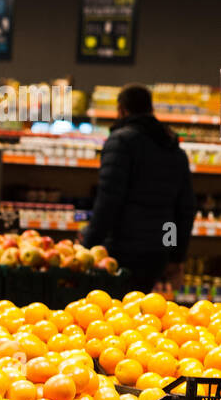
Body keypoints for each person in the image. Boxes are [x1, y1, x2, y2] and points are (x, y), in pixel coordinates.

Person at [82, 84, 195, 292]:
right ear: (150, 109)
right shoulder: (173, 148)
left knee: (114, 315)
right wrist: (174, 253)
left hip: (123, 248)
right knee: (142, 312)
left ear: (122, 110)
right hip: (159, 248)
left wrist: (87, 246)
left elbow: (108, 201)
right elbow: (184, 209)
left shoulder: (121, 142)